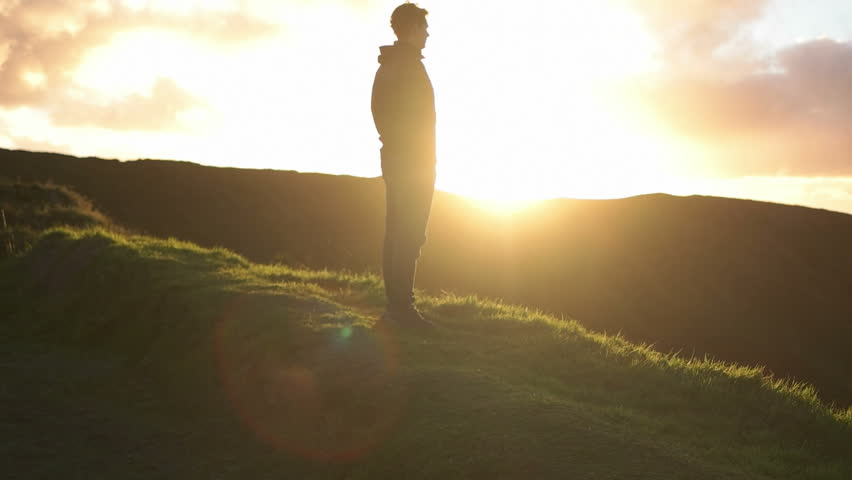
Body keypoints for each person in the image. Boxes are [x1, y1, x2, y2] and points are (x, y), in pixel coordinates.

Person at [371, 3, 436, 328]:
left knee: (398, 231)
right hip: (411, 164)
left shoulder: (391, 65)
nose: (428, 33)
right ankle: (401, 310)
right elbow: (400, 118)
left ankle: (397, 306)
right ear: (411, 29)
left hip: (401, 160)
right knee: (408, 232)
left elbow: (380, 114)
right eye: (423, 28)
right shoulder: (405, 67)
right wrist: (414, 156)